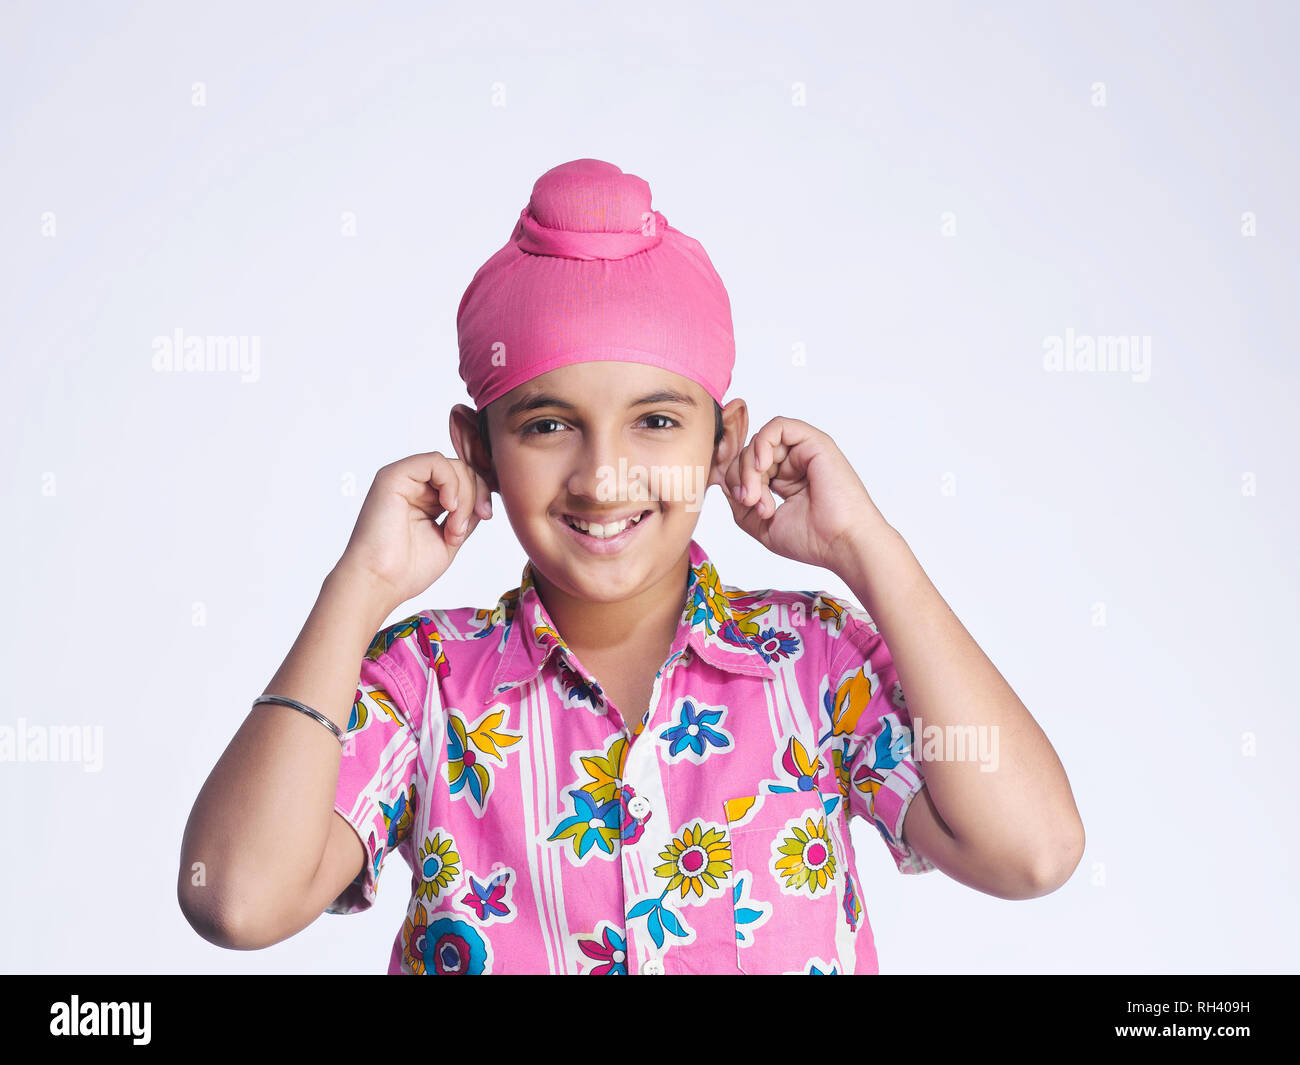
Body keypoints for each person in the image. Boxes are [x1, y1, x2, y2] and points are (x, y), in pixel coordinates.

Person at [178, 158, 1085, 974]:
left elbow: (1032, 849)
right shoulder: (424, 688)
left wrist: (869, 550)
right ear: (477, 448)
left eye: (655, 421)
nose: (603, 473)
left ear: (723, 439)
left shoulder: (815, 664)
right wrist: (355, 589)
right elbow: (237, 899)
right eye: (548, 424)